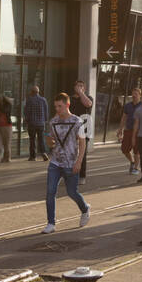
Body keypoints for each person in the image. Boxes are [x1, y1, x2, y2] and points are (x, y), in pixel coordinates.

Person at [41, 93, 90, 233]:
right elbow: (52, 142)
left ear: (67, 105)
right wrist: (49, 141)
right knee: (50, 192)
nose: (57, 109)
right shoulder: (53, 121)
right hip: (55, 162)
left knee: (72, 192)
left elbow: (82, 143)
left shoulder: (77, 121)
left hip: (71, 162)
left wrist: (79, 162)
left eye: (60, 106)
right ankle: (51, 223)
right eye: (55, 106)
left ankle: (85, 209)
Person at [69, 81, 93, 183]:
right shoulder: (69, 99)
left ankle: (81, 176)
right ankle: (71, 174)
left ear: (84, 88)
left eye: (81, 86)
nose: (79, 87)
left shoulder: (88, 98)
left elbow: (88, 104)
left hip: (85, 127)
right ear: (74, 87)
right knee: (71, 152)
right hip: (72, 127)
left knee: (82, 153)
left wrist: (81, 93)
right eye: (77, 86)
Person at [119, 87, 142, 176]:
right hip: (128, 130)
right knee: (124, 149)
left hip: (139, 131)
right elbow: (124, 118)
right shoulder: (127, 106)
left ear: (139, 95)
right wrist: (120, 129)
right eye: (133, 94)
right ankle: (132, 162)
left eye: (136, 94)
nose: (134, 95)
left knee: (137, 151)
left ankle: (136, 168)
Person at [24, 85, 49, 162]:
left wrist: (27, 120)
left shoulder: (29, 100)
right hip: (41, 124)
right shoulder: (43, 100)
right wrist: (45, 120)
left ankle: (33, 156)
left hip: (32, 123)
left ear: (32, 92)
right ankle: (44, 153)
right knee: (41, 139)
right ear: (38, 92)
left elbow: (26, 112)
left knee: (32, 140)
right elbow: (46, 112)